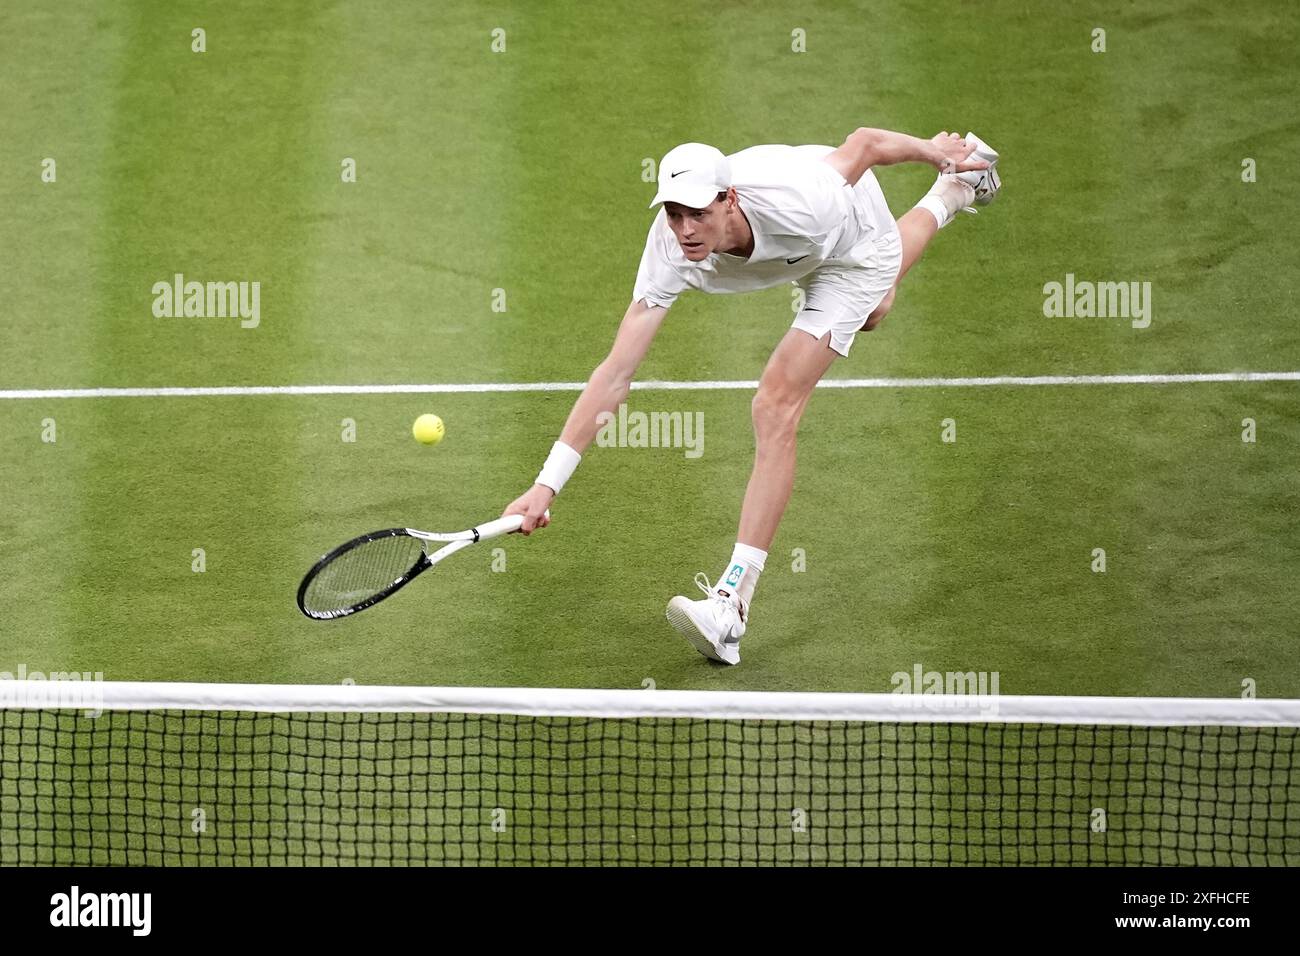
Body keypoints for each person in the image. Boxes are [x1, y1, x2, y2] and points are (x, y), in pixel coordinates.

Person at [501, 128, 1001, 665]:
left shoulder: (805, 200)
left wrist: (935, 151)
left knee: (776, 402)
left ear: (729, 199)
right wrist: (546, 485)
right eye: (674, 213)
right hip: (808, 248)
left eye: (698, 214)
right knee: (876, 313)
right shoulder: (669, 249)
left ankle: (731, 604)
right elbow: (616, 373)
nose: (686, 230)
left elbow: (865, 145)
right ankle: (957, 192)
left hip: (849, 233)